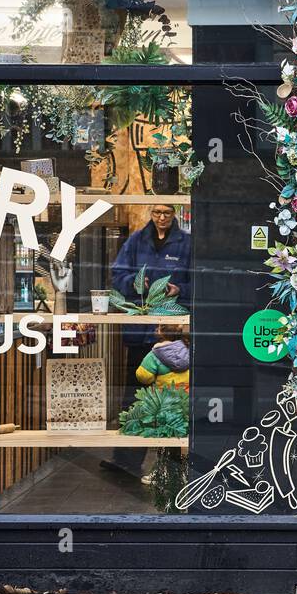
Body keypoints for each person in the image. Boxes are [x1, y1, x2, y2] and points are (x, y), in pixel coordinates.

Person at [104, 204, 192, 483]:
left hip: (174, 336)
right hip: (142, 334)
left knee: (176, 399)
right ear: (150, 213)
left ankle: (172, 465)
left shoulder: (187, 244)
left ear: (174, 214)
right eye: (157, 213)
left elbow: (201, 281)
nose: (162, 218)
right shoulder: (136, 241)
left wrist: (181, 290)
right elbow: (118, 276)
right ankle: (126, 460)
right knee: (135, 396)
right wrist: (139, 283)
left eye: (167, 213)